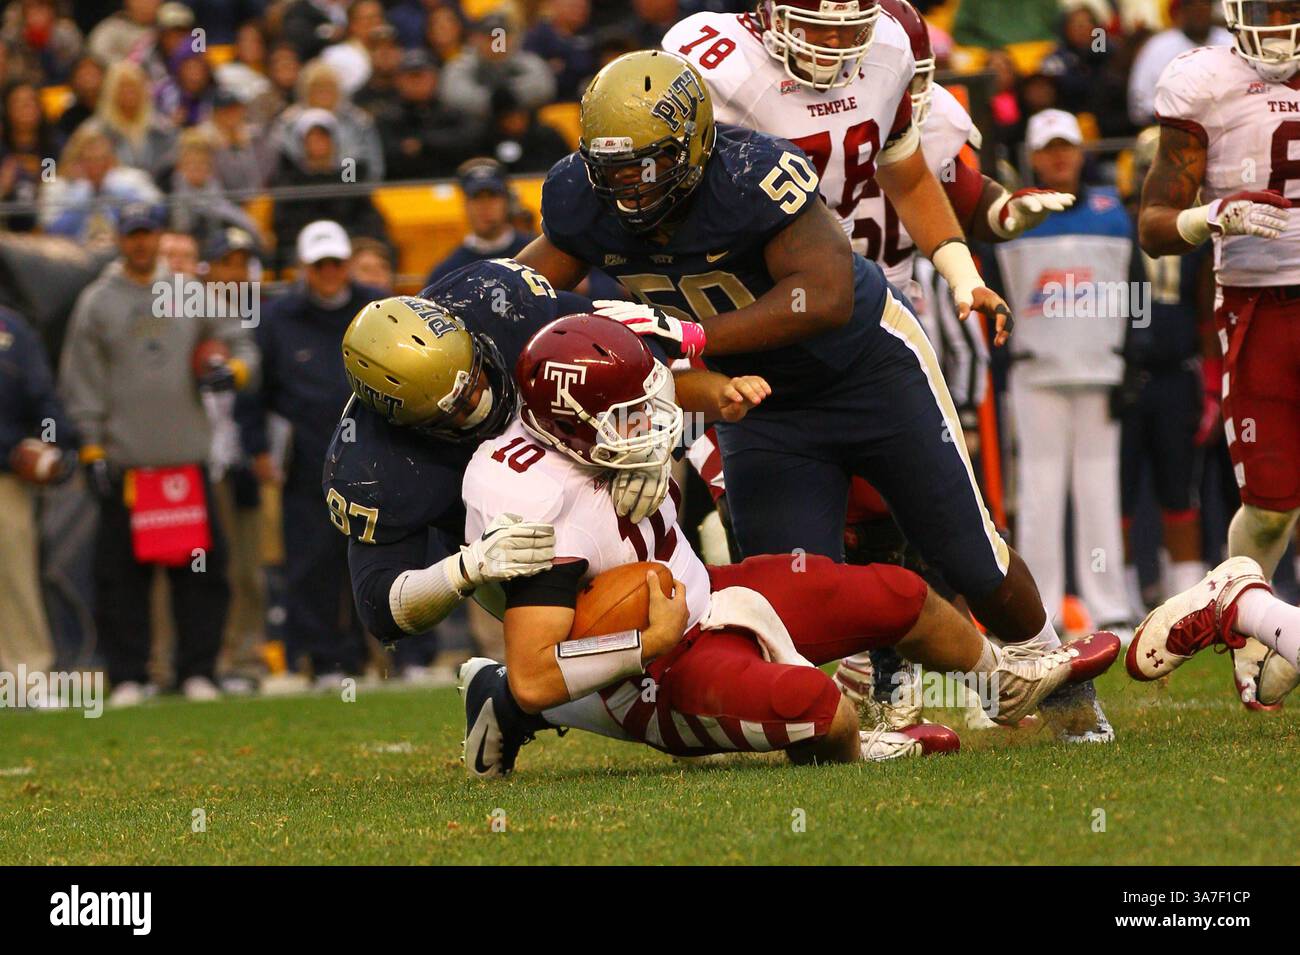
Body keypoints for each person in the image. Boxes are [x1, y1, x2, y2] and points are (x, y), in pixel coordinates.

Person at [518, 50, 1114, 741]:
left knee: (963, 546)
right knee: (795, 589)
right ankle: (853, 723)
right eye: (612, 170)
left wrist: (686, 337)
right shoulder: (579, 200)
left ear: (694, 144)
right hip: (761, 401)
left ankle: (1057, 680)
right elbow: (529, 294)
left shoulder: (749, 175)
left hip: (866, 366)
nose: (630, 188)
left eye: (648, 164)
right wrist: (474, 315)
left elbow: (823, 296)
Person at [458, 314, 1120, 776]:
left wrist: (711, 389)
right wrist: (646, 644)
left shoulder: (588, 422)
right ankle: (856, 748)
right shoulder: (539, 502)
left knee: (899, 594)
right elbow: (536, 671)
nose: (650, 423)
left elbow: (659, 383)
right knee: (822, 710)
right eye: (630, 416)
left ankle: (997, 681)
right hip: (649, 673)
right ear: (575, 426)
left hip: (709, 591)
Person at [1138, 0, 1300, 709]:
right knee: (1268, 510)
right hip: (1258, 306)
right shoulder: (1202, 81)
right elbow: (1151, 224)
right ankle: (1246, 623)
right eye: (1267, 7)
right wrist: (1211, 216)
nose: (1280, 21)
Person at [323, 259, 592, 651]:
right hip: (518, 553)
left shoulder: (490, 298)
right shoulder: (372, 467)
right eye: (458, 410)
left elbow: (617, 334)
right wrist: (466, 569)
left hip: (594, 464)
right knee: (580, 641)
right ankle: (504, 696)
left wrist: (642, 427)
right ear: (407, 423)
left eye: (477, 375)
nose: (484, 403)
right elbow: (379, 607)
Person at [59, 203, 259, 705]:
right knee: (121, 579)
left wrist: (231, 371)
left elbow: (241, 344)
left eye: (148, 233)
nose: (141, 243)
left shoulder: (190, 293)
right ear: (121, 240)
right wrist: (90, 447)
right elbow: (81, 380)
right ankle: (129, 674)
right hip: (128, 464)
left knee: (201, 577)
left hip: (185, 463)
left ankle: (199, 672)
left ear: (159, 236)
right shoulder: (97, 302)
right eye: (132, 235)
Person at [984, 109, 1136, 641]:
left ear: (1080, 150)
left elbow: (1133, 291)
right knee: (1041, 492)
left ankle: (1109, 605)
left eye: (1066, 146)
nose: (1059, 157)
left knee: (1100, 490)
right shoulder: (1011, 218)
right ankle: (1040, 609)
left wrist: (1130, 363)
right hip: (1036, 371)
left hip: (1100, 370)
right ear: (1033, 155)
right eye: (1048, 148)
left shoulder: (1114, 213)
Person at [236, 221, 382, 684]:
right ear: (304, 268)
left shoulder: (375, 308)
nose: (329, 273)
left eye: (336, 263)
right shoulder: (278, 318)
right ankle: (323, 660)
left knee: (374, 558)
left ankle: (384, 658)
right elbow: (255, 391)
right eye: (319, 265)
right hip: (305, 458)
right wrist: (257, 448)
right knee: (311, 561)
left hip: (377, 453)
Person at [1117, 126, 1211, 619]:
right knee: (1120, 492)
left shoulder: (1195, 231)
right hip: (1126, 375)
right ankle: (1126, 598)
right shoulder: (1118, 224)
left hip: (1177, 374)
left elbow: (1206, 307)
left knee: (1180, 489)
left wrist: (1212, 377)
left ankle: (1188, 600)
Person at [0, 304, 79, 680]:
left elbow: (45, 402)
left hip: (5, 478)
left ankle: (27, 677)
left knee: (14, 576)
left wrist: (49, 445)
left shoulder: (13, 329)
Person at [374, 47, 481, 181]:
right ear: (399, 81)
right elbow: (389, 156)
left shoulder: (454, 114)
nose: (417, 82)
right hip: (403, 189)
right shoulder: (387, 117)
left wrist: (423, 143)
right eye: (411, 76)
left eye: (422, 76)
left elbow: (468, 145)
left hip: (451, 186)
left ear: (435, 78)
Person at [424, 159, 534, 286]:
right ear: (465, 204)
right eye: (477, 198)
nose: (485, 206)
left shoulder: (535, 254)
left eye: (492, 196)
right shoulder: (448, 272)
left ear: (506, 201)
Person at [1127, 0, 1232, 127]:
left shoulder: (1231, 41)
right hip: (1172, 127)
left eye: (1204, 4)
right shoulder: (1157, 47)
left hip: (1228, 124)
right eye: (1192, 5)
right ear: (1181, 10)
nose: (1199, 10)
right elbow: (1140, 106)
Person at [440, 12, 556, 121]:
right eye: (490, 37)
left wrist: (511, 95)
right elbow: (452, 94)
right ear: (476, 38)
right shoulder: (462, 63)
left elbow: (544, 86)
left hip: (520, 125)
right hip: (476, 127)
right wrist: (491, 99)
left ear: (511, 38)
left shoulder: (526, 60)